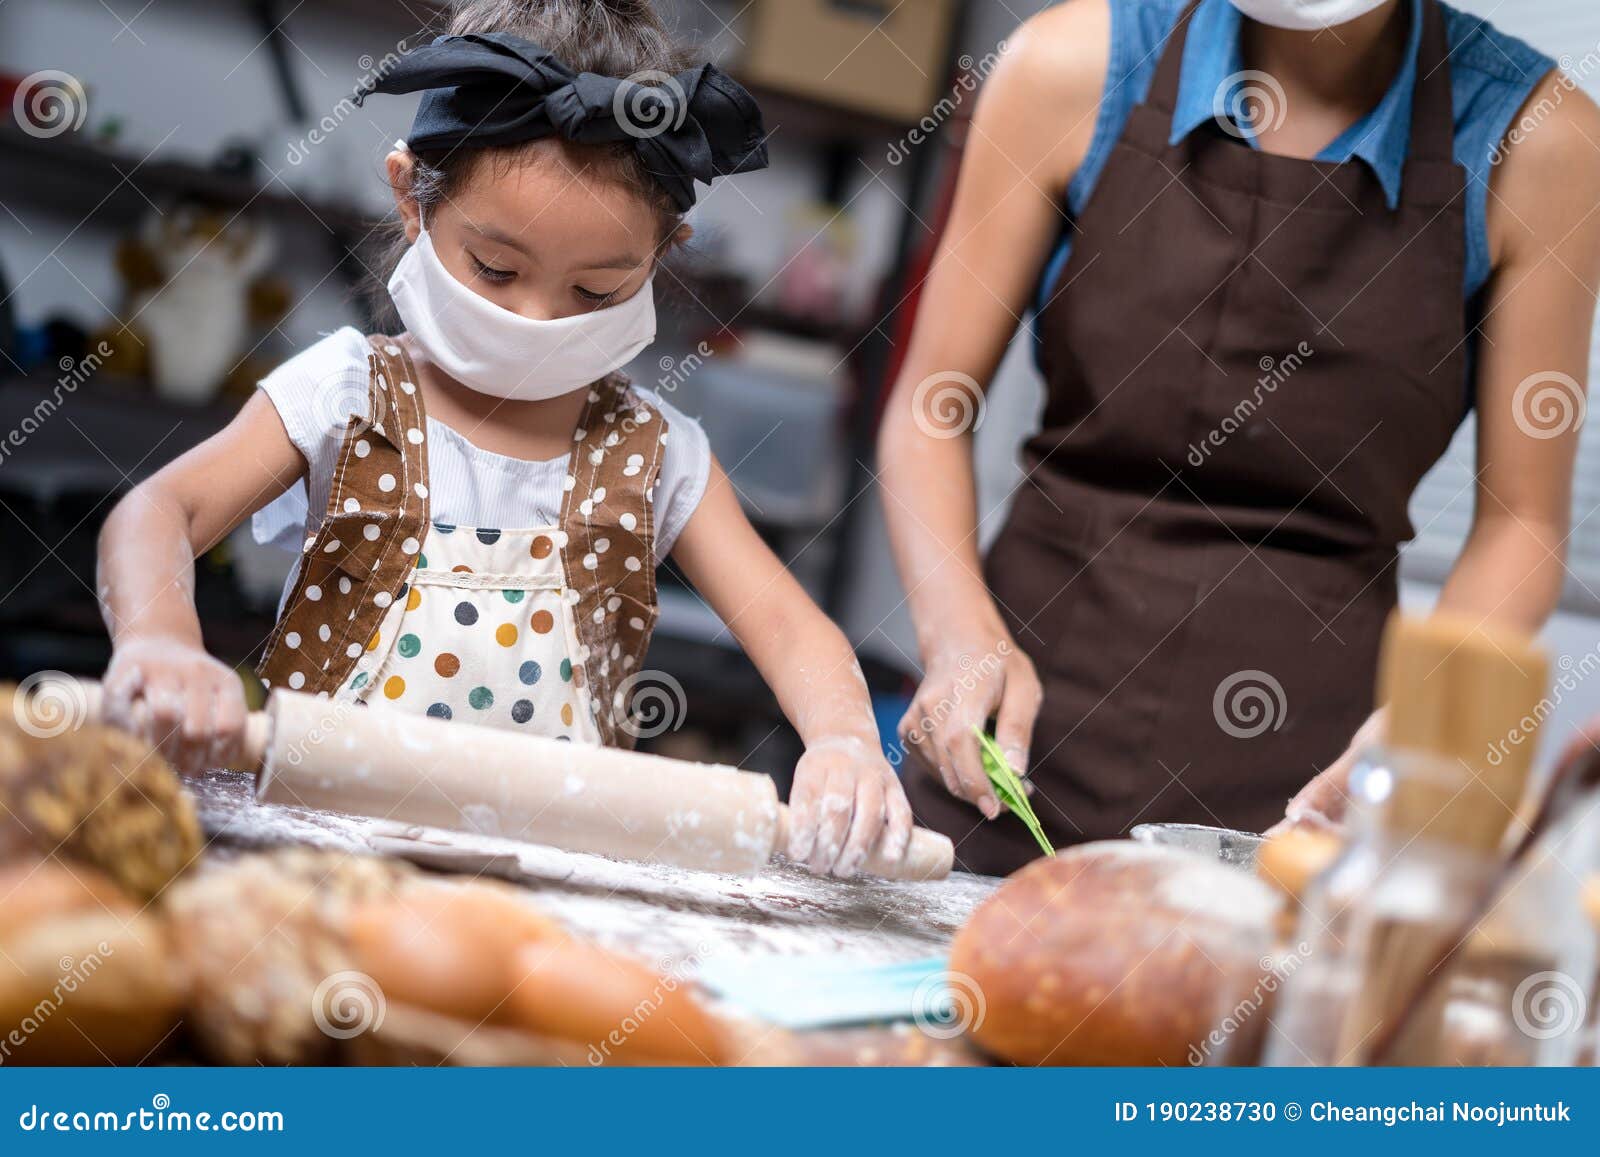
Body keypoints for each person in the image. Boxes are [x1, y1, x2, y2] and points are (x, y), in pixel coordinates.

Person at [95, 0, 911, 879]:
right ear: (412, 198)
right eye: (496, 269)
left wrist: (845, 745)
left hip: (552, 889)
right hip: (320, 862)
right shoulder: (346, 393)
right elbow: (158, 512)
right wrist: (163, 641)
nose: (536, 319)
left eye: (595, 291)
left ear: (662, 255)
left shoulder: (657, 453)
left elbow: (792, 629)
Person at [879, 0, 1600, 873]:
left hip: (1300, 798)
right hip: (1010, 747)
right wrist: (957, 634)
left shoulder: (1546, 144)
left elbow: (1521, 518)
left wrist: (1425, 728)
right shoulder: (1065, 67)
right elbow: (932, 404)